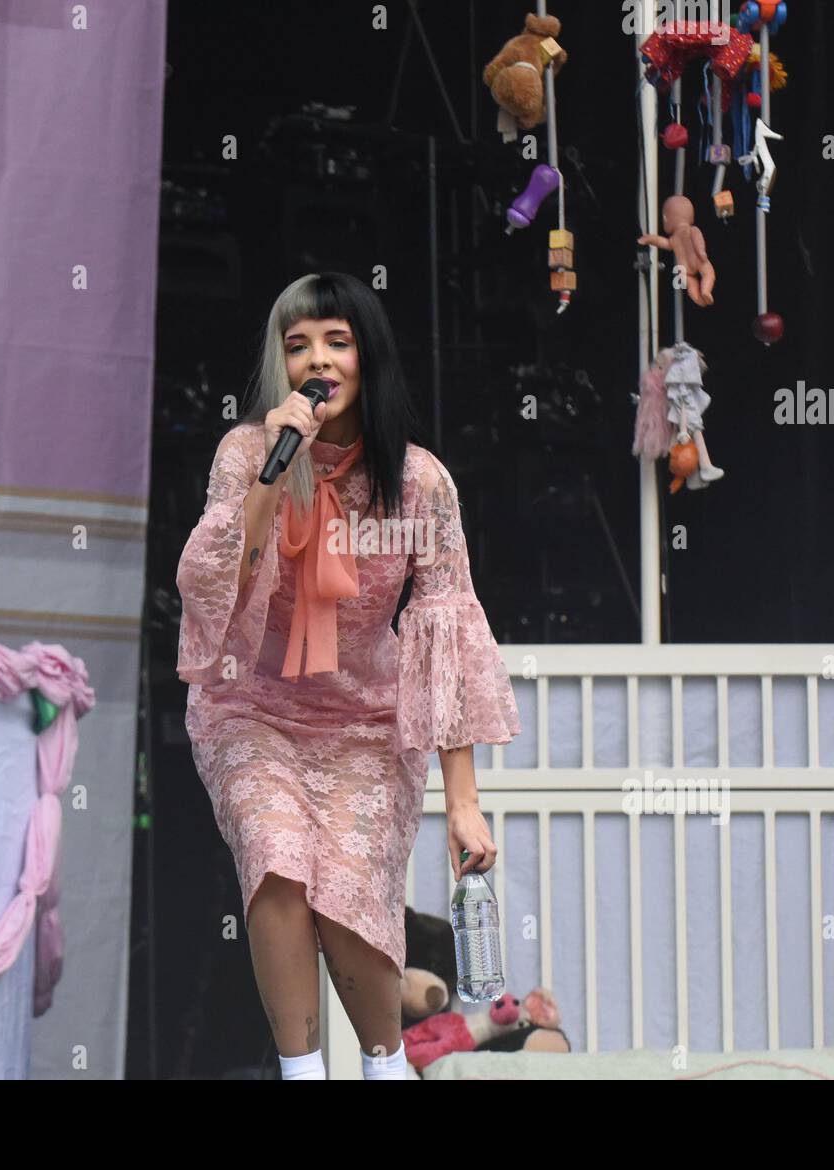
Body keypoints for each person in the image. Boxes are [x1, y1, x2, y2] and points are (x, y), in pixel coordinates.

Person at [175, 272, 521, 1080]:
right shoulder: (248, 453)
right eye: (296, 346)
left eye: (335, 341)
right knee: (278, 858)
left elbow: (446, 628)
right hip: (250, 706)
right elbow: (219, 577)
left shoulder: (420, 481)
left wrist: (464, 804)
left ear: (369, 357)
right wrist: (273, 466)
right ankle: (302, 1073)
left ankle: (384, 1063)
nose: (315, 360)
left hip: (367, 721)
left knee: (353, 899)